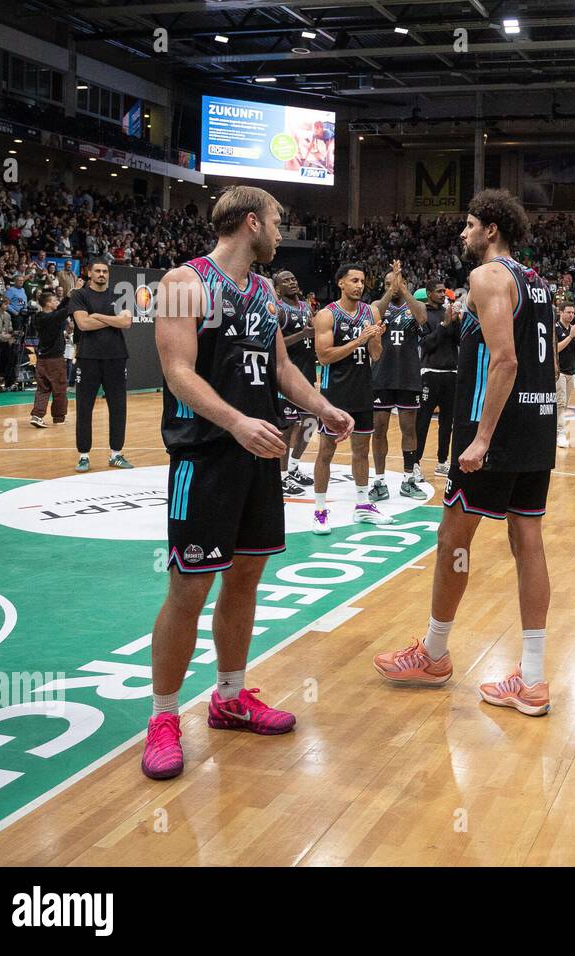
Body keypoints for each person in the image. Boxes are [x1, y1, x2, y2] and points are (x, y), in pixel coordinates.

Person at [144, 184, 354, 780]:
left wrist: (323, 408)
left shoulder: (264, 291)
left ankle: (230, 698)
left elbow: (284, 371)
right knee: (189, 589)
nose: (283, 231)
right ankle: (162, 717)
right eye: (279, 222)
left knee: (245, 580)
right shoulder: (185, 283)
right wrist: (236, 421)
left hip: (258, 460)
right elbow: (178, 372)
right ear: (252, 222)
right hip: (204, 457)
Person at [374, 189, 558, 717]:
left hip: (493, 432)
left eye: (470, 223)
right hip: (536, 430)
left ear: (491, 231)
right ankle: (535, 676)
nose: (463, 232)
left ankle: (433, 653)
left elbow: (504, 362)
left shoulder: (488, 276)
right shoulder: (537, 282)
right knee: (529, 542)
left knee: (453, 538)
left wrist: (479, 438)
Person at [311, 262, 392, 533]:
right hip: (335, 394)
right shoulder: (326, 314)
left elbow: (377, 355)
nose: (359, 285)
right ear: (341, 283)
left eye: (362, 280)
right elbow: (324, 356)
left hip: (362, 391)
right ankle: (320, 510)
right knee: (326, 451)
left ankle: (362, 506)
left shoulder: (371, 311)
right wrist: (359, 340)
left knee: (361, 451)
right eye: (354, 280)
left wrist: (374, 338)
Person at [370, 260, 430, 502]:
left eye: (395, 283)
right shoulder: (376, 305)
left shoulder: (415, 306)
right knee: (380, 429)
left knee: (409, 429)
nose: (392, 287)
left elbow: (423, 319)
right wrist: (390, 288)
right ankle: (379, 480)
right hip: (381, 377)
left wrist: (402, 288)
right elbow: (378, 314)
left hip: (408, 376)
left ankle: (408, 479)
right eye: (386, 284)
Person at [68, 256, 133, 473]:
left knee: (118, 407)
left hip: (116, 357)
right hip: (88, 358)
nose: (101, 275)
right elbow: (83, 324)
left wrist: (96, 315)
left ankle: (116, 454)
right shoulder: (79, 295)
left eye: (105, 271)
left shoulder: (118, 294)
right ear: (89, 273)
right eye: (97, 271)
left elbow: (126, 322)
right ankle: (84, 456)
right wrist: (109, 318)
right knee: (84, 408)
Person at [273, 270, 317, 494]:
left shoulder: (306, 307)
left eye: (293, 278)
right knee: (287, 430)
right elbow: (274, 344)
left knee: (311, 423)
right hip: (286, 379)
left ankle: (293, 467)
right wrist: (303, 334)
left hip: (308, 376)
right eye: (286, 280)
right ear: (278, 289)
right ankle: (280, 477)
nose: (292, 282)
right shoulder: (279, 309)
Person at [414, 283, 460, 476]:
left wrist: (456, 322)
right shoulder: (424, 314)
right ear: (429, 293)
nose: (443, 294)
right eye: (439, 291)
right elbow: (427, 344)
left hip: (451, 373)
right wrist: (444, 325)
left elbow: (458, 341)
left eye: (444, 291)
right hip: (430, 373)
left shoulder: (448, 313)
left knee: (447, 421)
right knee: (422, 420)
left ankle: (442, 461)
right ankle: (415, 462)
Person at [30, 290, 70, 427]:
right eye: (54, 301)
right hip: (56, 360)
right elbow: (66, 309)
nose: (57, 302)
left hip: (41, 359)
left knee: (42, 388)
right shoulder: (54, 317)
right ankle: (59, 418)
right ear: (48, 303)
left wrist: (67, 297)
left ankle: (37, 415)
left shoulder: (38, 317)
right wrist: (73, 295)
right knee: (59, 389)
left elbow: (60, 310)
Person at [553, 299, 575, 449]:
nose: (572, 315)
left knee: (564, 405)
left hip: (571, 371)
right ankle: (561, 433)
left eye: (573, 312)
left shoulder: (573, 329)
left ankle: (555, 430)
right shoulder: (555, 328)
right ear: (561, 312)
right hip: (558, 372)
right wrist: (570, 336)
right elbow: (555, 349)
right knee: (561, 402)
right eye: (568, 312)